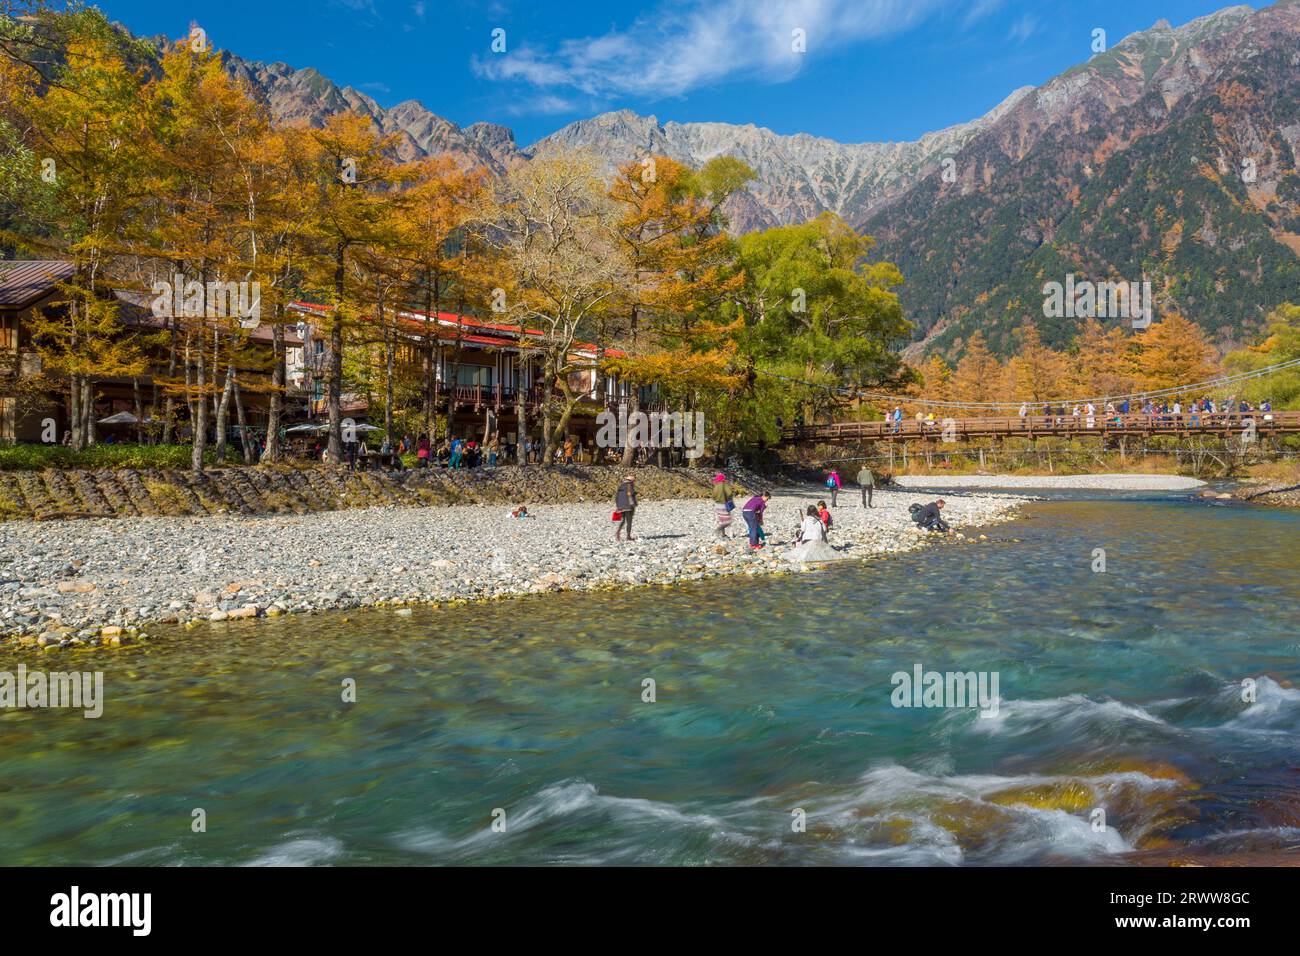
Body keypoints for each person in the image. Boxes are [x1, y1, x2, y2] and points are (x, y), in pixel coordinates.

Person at [615, 474, 637, 542]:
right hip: (628, 506)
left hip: (620, 506)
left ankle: (618, 532)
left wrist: (618, 506)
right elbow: (630, 495)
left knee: (622, 520)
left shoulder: (620, 486)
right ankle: (628, 536)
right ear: (631, 481)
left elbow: (617, 497)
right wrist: (633, 504)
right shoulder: (629, 486)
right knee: (629, 521)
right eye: (634, 481)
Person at [711, 472, 734, 538]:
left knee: (720, 519)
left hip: (717, 504)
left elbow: (713, 496)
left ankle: (722, 534)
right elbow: (729, 494)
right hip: (725, 504)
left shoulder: (716, 486)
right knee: (727, 520)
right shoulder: (725, 485)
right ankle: (731, 534)